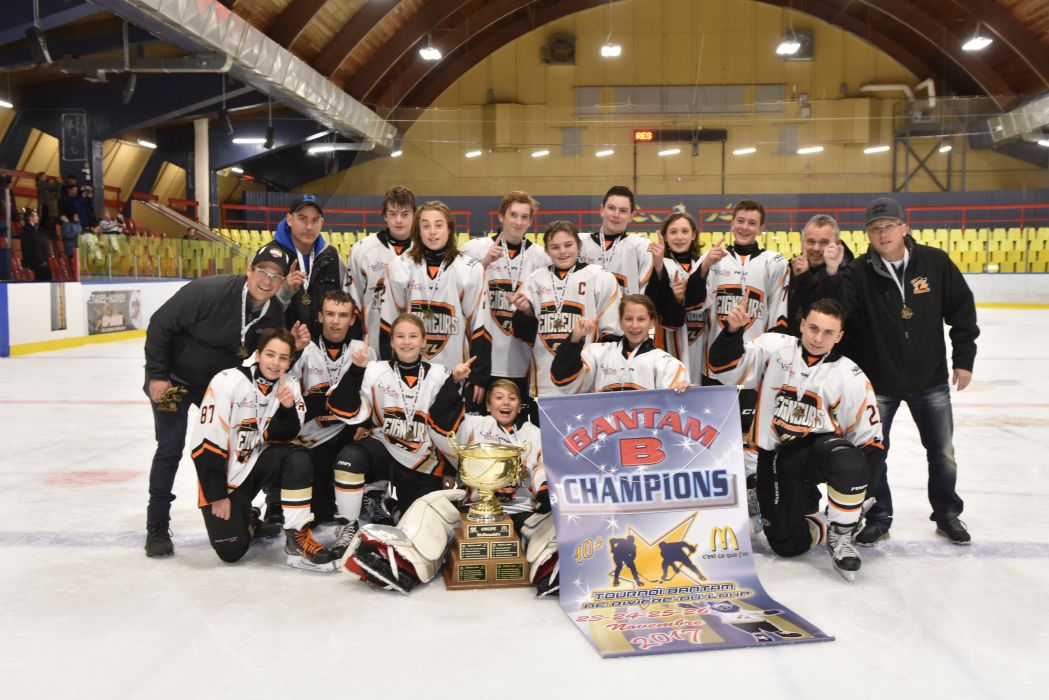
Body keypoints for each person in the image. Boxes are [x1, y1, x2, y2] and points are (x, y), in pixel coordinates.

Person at [822, 196, 979, 545]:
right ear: (867, 235)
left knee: (943, 453)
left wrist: (964, 358)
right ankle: (879, 517)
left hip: (930, 379)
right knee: (875, 453)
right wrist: (833, 272)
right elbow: (839, 313)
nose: (883, 233)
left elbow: (962, 311)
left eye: (889, 226)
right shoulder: (858, 272)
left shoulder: (935, 263)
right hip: (879, 382)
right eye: (875, 229)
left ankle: (948, 514)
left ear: (904, 227)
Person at [142, 242, 310, 557]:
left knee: (239, 443)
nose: (267, 281)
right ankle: (157, 525)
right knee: (170, 446)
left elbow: (268, 357)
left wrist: (295, 348)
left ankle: (241, 509)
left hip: (217, 388)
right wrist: (157, 374)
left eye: (276, 277)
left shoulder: (273, 311)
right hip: (176, 382)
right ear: (249, 270)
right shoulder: (209, 291)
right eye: (262, 272)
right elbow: (161, 324)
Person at [708, 298, 883, 581]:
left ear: (839, 336)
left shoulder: (850, 376)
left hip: (820, 451)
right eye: (813, 328)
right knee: (787, 545)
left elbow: (871, 443)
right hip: (776, 457)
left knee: (848, 459)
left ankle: (842, 532)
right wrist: (731, 333)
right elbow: (722, 368)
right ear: (801, 325)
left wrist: (855, 499)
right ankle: (823, 523)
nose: (817, 338)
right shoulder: (773, 348)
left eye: (828, 332)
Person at [191, 328, 338, 571]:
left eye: (283, 358)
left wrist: (287, 408)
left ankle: (297, 539)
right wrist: (216, 495)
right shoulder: (227, 381)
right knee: (231, 551)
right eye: (270, 355)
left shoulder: (289, 386)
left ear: (290, 361)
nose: (276, 363)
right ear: (258, 355)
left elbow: (286, 436)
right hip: (226, 476)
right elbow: (205, 443)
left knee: (297, 456)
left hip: (258, 463)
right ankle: (246, 518)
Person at [326, 313, 472, 556]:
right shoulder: (374, 370)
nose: (407, 342)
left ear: (424, 341)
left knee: (417, 529)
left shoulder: (440, 374)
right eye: (400, 336)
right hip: (385, 447)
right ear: (392, 342)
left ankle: (387, 504)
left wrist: (448, 469)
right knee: (349, 457)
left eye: (413, 336)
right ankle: (347, 525)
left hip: (423, 460)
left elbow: (447, 429)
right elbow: (344, 408)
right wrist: (356, 370)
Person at [380, 200, 490, 406]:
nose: (432, 232)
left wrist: (479, 376)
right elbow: (388, 323)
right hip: (408, 371)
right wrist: (389, 369)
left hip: (454, 372)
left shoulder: (469, 268)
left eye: (439, 225)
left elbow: (480, 327)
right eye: (426, 225)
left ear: (449, 229)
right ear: (418, 230)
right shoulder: (400, 267)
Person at [460, 191, 551, 417]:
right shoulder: (474, 249)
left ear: (530, 221)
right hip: (482, 359)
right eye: (513, 215)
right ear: (501, 216)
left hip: (519, 359)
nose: (518, 222)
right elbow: (455, 289)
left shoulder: (541, 257)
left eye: (524, 217)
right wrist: (482, 264)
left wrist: (530, 311)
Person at [289, 290, 375, 526]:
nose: (336, 321)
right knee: (320, 512)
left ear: (352, 319)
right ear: (319, 316)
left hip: (348, 432)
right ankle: (279, 502)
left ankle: (374, 496)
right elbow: (287, 394)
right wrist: (294, 352)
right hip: (313, 434)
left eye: (343, 315)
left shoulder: (363, 350)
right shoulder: (305, 349)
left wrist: (365, 424)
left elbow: (373, 397)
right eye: (330, 314)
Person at [511, 220, 621, 398]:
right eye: (555, 247)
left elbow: (612, 333)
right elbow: (522, 335)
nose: (562, 251)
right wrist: (525, 314)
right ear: (547, 251)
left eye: (568, 245)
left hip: (586, 383)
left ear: (578, 246)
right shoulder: (535, 279)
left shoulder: (600, 277)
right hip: (543, 385)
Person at [551, 294, 689, 393]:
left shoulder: (668, 364)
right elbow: (564, 383)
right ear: (620, 322)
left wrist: (684, 393)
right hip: (603, 431)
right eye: (628, 319)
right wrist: (575, 338)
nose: (634, 325)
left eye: (641, 319)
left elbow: (675, 410)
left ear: (652, 322)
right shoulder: (597, 353)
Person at [347, 186, 415, 356]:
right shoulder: (363, 250)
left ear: (414, 215)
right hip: (373, 347)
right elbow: (352, 303)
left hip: (414, 345)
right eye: (393, 214)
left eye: (405, 214)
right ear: (385, 215)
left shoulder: (425, 251)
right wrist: (355, 343)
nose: (398, 220)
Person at [272, 194, 347, 340]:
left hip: (323, 347)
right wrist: (285, 291)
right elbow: (260, 310)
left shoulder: (332, 256)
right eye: (302, 218)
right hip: (285, 348)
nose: (309, 227)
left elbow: (346, 300)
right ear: (289, 220)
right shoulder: (271, 256)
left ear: (322, 222)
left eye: (315, 220)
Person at [647, 212, 704, 382]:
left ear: (693, 235)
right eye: (673, 232)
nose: (679, 237)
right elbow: (653, 304)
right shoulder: (659, 263)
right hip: (668, 338)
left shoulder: (703, 263)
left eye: (685, 231)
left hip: (701, 337)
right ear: (664, 236)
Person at [785, 214, 854, 338]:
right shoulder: (788, 268)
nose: (816, 248)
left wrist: (831, 273)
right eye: (810, 241)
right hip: (791, 349)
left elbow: (830, 315)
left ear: (837, 244)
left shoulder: (851, 273)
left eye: (824, 242)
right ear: (803, 242)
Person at [577, 185, 654, 294]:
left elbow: (645, 296)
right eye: (611, 208)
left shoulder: (641, 247)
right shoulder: (580, 244)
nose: (616, 215)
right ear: (602, 210)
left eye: (623, 210)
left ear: (631, 216)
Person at [17, 208, 51, 281]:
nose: (38, 218)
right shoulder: (27, 232)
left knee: (47, 272)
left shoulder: (34, 231)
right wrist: (41, 261)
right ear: (30, 218)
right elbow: (32, 249)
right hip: (32, 262)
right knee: (47, 273)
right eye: (36, 216)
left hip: (37, 261)